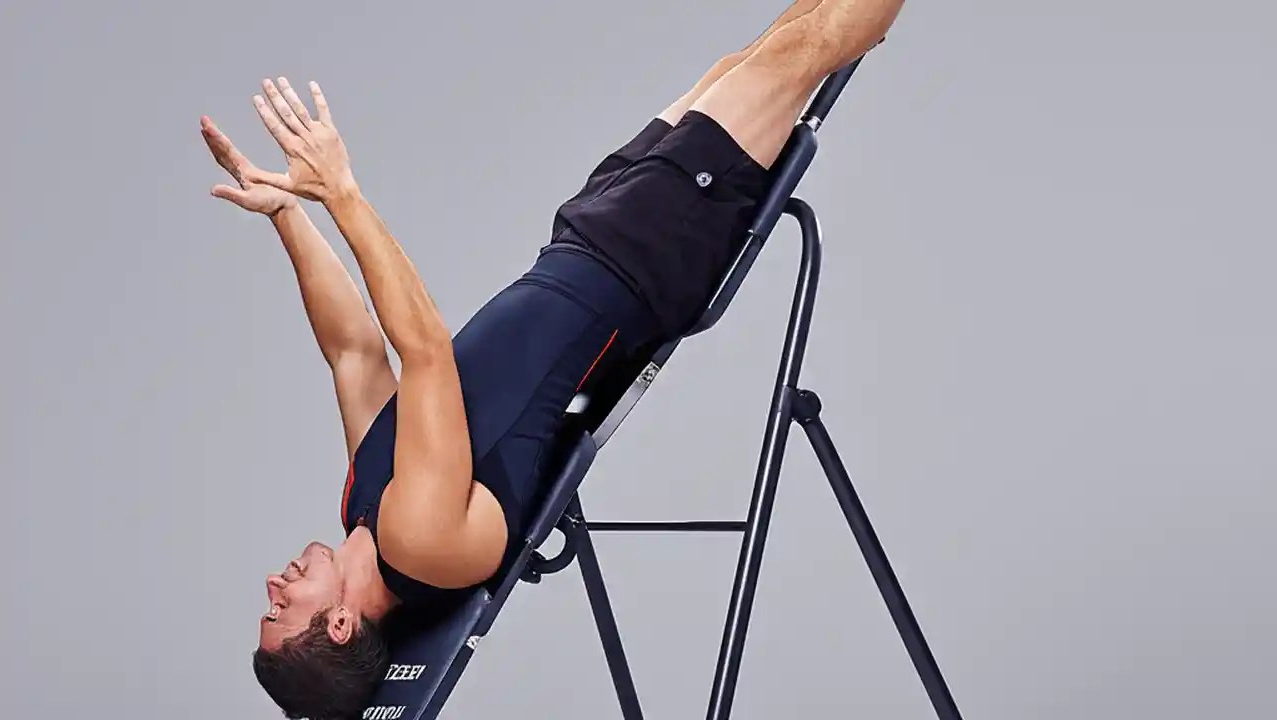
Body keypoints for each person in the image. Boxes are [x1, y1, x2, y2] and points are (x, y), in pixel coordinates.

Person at [199, 1, 904, 717]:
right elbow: (426, 353)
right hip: (647, 255)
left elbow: (352, 351)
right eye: (284, 611)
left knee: (763, 54)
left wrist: (287, 214)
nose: (274, 586)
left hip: (591, 236)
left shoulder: (366, 508)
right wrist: (342, 196)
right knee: (807, 49)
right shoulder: (420, 541)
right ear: (341, 625)